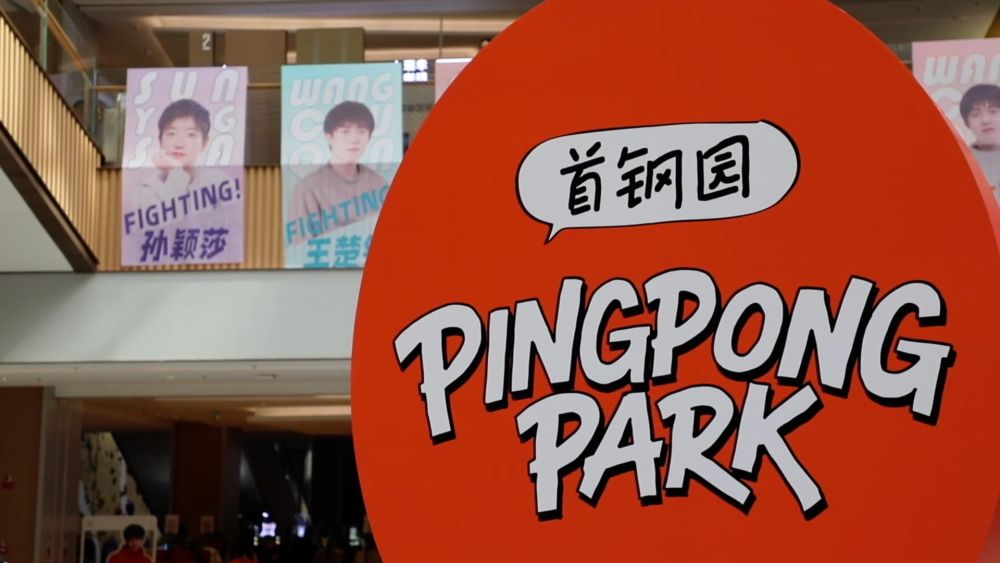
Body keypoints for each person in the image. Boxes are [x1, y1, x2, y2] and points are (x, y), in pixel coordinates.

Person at [288, 101, 388, 243]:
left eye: (361, 131)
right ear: (329, 137)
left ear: (369, 137)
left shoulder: (378, 183)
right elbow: (300, 246)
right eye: (345, 132)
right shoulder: (308, 188)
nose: (354, 139)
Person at [134, 98, 231, 210]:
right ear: (160, 140)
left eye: (191, 134)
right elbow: (169, 220)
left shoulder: (221, 183)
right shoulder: (147, 188)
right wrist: (177, 174)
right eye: (171, 134)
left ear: (205, 142)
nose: (179, 144)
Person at [959, 83, 1000, 205]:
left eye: (993, 111)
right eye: (976, 114)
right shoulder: (959, 161)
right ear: (967, 123)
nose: (985, 120)